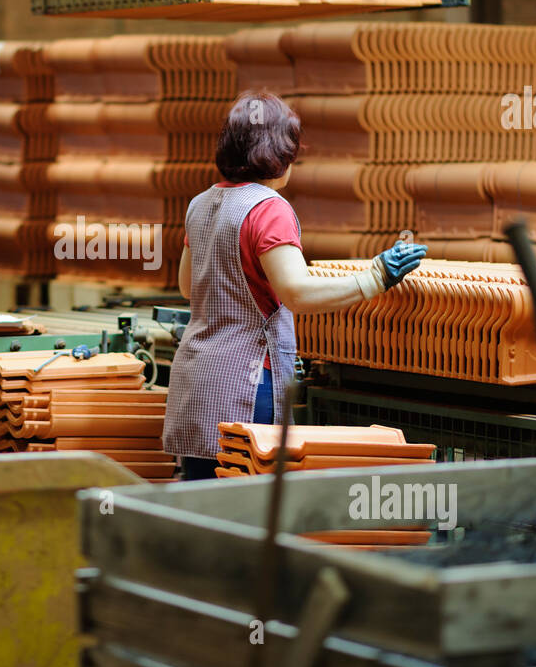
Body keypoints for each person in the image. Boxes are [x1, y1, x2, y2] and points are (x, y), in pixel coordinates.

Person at [163, 91, 427, 480]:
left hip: (195, 380)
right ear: (278, 153)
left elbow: (189, 286)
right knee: (247, 507)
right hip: (247, 383)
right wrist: (377, 277)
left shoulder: (201, 204)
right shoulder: (268, 208)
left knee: (203, 508)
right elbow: (297, 292)